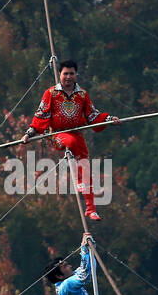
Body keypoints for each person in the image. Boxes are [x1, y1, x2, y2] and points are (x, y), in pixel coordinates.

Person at [21, 60, 119, 221]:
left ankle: (91, 209)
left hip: (76, 134)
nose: (68, 77)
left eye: (71, 73)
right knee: (71, 143)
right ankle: (79, 181)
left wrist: (109, 119)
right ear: (59, 74)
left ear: (76, 75)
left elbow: (92, 115)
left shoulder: (82, 95)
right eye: (65, 73)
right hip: (57, 135)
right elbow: (41, 116)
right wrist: (29, 134)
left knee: (86, 166)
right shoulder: (51, 93)